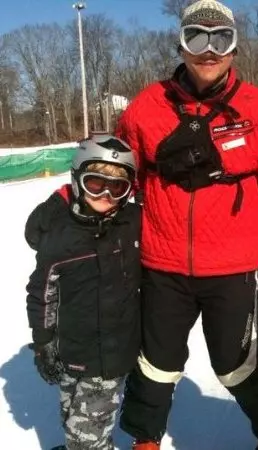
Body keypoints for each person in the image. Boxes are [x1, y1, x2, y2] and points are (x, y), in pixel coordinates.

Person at [114, 0, 258, 449]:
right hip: (163, 264)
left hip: (231, 268)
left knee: (237, 363)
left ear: (234, 47)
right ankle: (145, 440)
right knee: (156, 362)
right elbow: (116, 176)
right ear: (181, 43)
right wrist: (76, 211)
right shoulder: (145, 109)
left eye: (221, 39)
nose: (208, 51)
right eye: (196, 38)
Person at [25, 135, 142, 450]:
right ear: (77, 180)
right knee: (70, 415)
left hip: (112, 355)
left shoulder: (132, 224)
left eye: (117, 188)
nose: (105, 194)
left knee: (87, 437)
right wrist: (43, 343)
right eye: (95, 183)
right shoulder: (61, 237)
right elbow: (42, 294)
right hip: (72, 349)